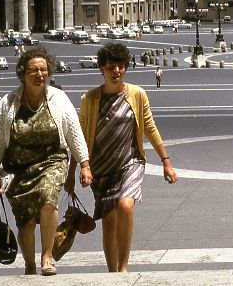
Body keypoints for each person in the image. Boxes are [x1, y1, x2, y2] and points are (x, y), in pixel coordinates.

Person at [68, 43, 177, 272]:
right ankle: (113, 272)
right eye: (110, 67)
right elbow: (78, 137)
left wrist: (166, 161)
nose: (116, 71)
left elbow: (149, 127)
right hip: (102, 166)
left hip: (131, 162)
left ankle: (124, 267)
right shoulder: (90, 99)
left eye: (120, 66)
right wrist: (75, 171)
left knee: (126, 206)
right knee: (108, 224)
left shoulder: (137, 94)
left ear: (125, 68)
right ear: (102, 70)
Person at [0, 47, 91, 276]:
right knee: (24, 220)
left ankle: (46, 257)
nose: (39, 74)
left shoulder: (58, 98)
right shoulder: (8, 102)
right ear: (23, 73)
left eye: (43, 70)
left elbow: (74, 133)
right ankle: (29, 265)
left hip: (52, 161)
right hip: (18, 170)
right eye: (34, 70)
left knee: (47, 198)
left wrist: (84, 164)